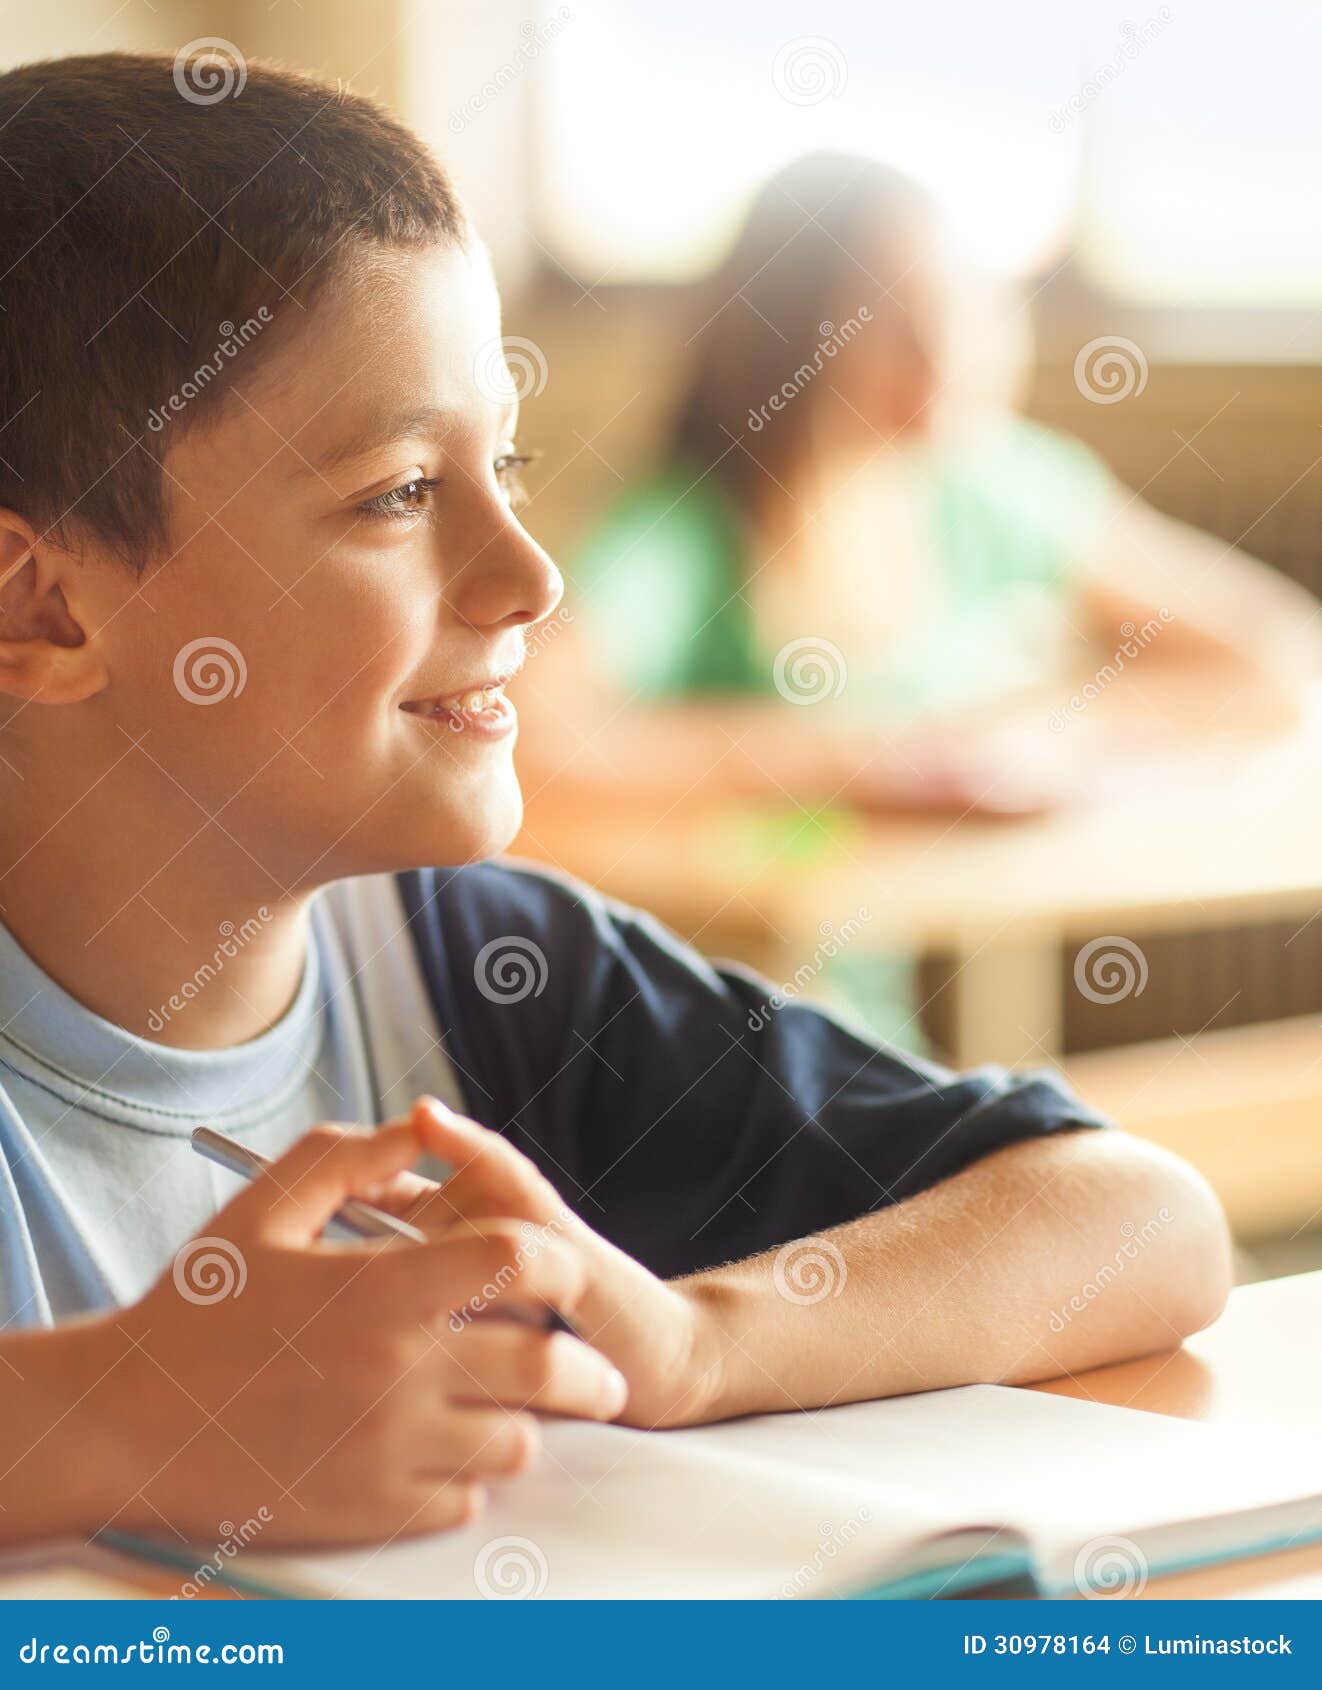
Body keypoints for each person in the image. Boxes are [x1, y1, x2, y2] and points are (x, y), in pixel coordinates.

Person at [0, 57, 1229, 1551]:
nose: (529, 575)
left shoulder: (486, 966)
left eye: (501, 465)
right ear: (46, 609)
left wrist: (695, 1339)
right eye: (396, 493)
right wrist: (112, 1417)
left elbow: (1140, 1222)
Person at [516, 151, 1321, 1043]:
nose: (942, 354)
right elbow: (536, 734)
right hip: (698, 1037)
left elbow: (1276, 655)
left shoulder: (999, 489)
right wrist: (874, 760)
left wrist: (1035, 733)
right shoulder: (681, 531)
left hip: (869, 1027)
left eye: (960, 310)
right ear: (787, 338)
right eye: (887, 323)